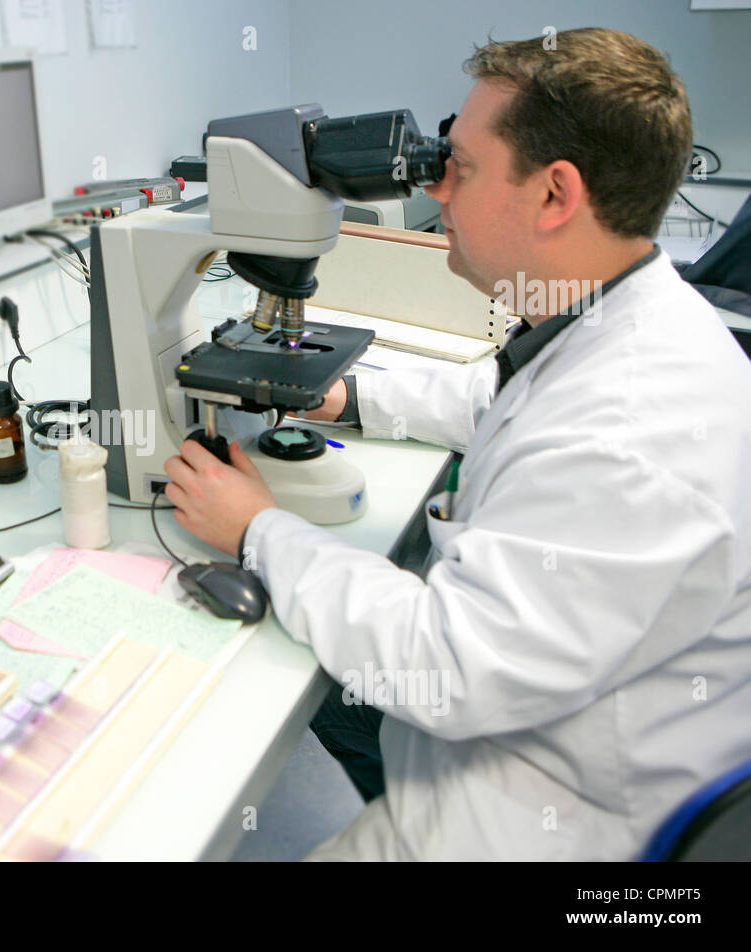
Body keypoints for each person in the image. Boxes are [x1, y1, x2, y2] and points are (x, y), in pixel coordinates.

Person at [161, 27, 751, 860]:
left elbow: (443, 665)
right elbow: (502, 398)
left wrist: (257, 530)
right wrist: (350, 394)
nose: (438, 190)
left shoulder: (627, 430)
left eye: (463, 167)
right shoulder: (628, 320)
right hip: (547, 730)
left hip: (535, 822)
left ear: (555, 195)